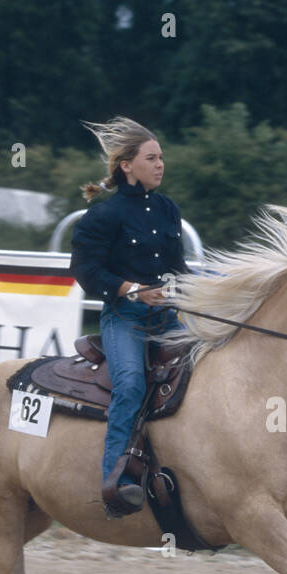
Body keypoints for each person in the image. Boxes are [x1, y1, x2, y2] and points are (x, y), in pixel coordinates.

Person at [70, 117, 188, 516]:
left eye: (161, 158)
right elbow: (87, 272)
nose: (160, 165)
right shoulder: (103, 216)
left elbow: (178, 268)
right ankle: (116, 483)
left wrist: (186, 294)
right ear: (127, 165)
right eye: (151, 158)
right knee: (131, 384)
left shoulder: (169, 210)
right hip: (124, 319)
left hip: (168, 319)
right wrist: (134, 290)